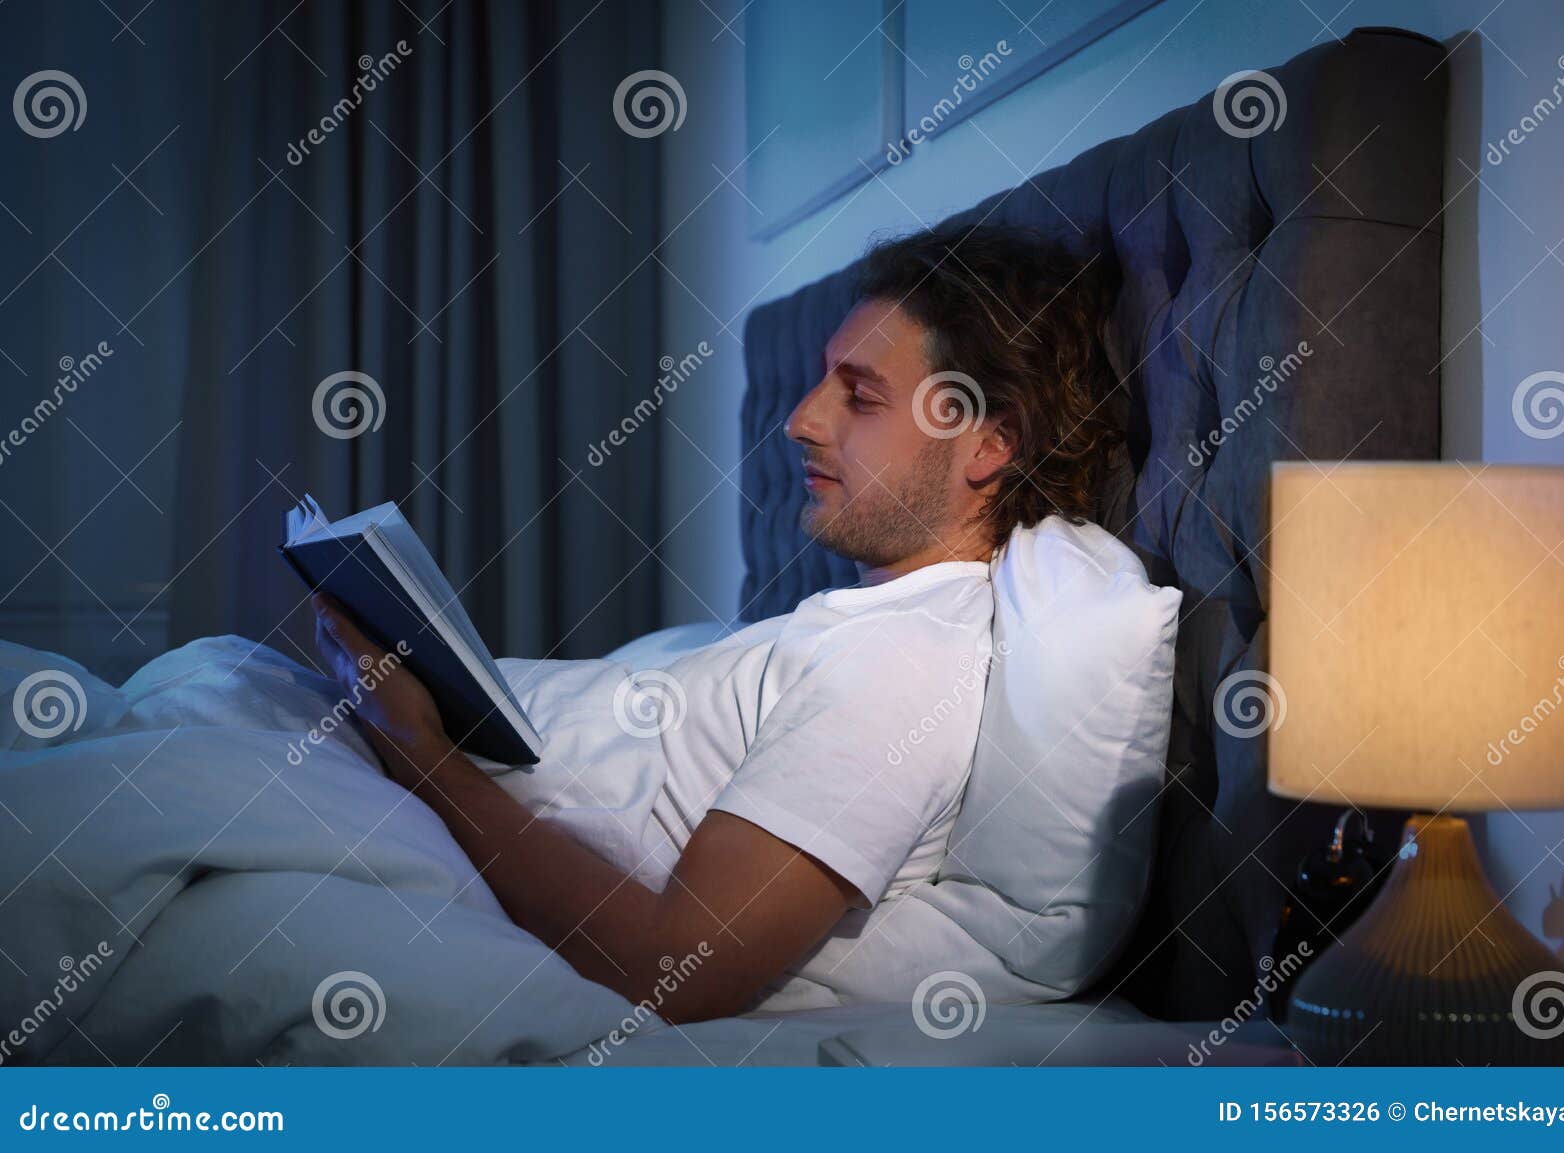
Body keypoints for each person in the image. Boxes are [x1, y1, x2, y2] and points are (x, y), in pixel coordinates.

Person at [312, 222, 1121, 1022]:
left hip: (391, 798)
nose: (801, 420)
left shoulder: (903, 662)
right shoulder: (861, 624)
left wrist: (415, 746)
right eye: (822, 380)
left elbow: (673, 967)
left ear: (989, 442)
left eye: (861, 395)